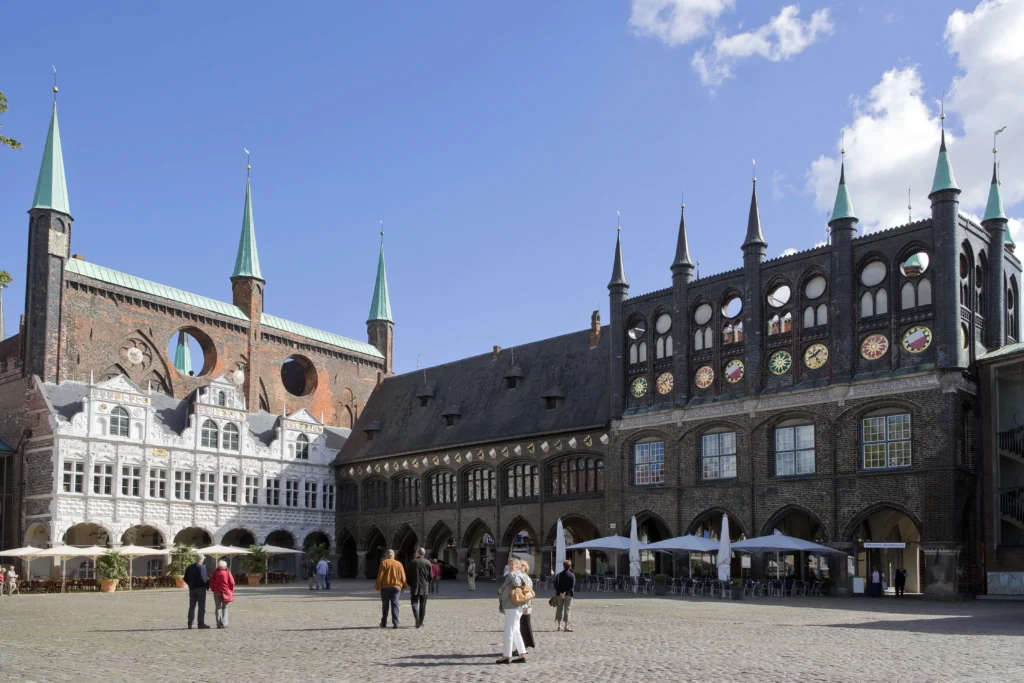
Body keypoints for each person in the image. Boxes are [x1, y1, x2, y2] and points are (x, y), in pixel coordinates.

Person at [496, 556, 529, 665]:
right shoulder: (518, 574)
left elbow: (516, 583)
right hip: (514, 606)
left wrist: (512, 573)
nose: (510, 566)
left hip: (513, 606)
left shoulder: (516, 574)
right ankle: (522, 654)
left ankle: (506, 656)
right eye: (509, 564)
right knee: (515, 630)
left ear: (518, 566)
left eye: (512, 564)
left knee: (508, 631)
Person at [374, 549, 406, 629]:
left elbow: (380, 576)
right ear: (393, 555)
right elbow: (403, 576)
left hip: (385, 587)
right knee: (395, 605)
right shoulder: (399, 564)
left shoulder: (384, 563)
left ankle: (384, 622)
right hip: (396, 587)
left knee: (385, 605)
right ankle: (395, 622)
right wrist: (403, 586)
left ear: (386, 555)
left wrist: (378, 586)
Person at [183, 553, 210, 629]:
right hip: (201, 589)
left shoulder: (190, 567)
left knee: (192, 607)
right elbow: (204, 578)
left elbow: (185, 578)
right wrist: (206, 585)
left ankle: (190, 623)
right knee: (201, 607)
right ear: (201, 559)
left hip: (192, 589)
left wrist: (190, 584)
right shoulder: (202, 567)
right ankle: (200, 623)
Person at [408, 548, 433, 628]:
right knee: (423, 605)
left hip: (415, 586)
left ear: (418, 553)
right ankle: (421, 621)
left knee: (414, 602)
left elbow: (408, 575)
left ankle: (417, 618)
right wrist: (427, 583)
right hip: (424, 586)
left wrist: (411, 584)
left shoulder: (413, 562)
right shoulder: (428, 562)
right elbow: (431, 576)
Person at [516, 559, 536, 653]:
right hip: (523, 605)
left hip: (525, 605)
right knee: (522, 626)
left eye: (522, 565)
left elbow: (528, 594)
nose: (520, 567)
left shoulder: (525, 578)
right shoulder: (521, 577)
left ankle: (523, 647)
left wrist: (526, 607)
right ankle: (523, 646)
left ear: (526, 568)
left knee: (524, 626)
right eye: (519, 565)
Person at [209, 560, 235, 629]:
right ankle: (224, 623)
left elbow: (211, 582)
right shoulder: (227, 573)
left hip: (217, 592)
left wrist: (213, 589)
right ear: (225, 566)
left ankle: (218, 623)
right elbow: (232, 582)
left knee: (218, 608)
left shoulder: (215, 573)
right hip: (226, 591)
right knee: (225, 607)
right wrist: (231, 590)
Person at [553, 559, 575, 632]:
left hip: (559, 595)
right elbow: (572, 585)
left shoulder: (558, 575)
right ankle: (566, 626)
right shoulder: (572, 575)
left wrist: (560, 593)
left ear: (563, 566)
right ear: (570, 566)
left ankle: (559, 626)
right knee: (567, 610)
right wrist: (565, 592)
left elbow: (555, 585)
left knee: (559, 609)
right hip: (568, 595)